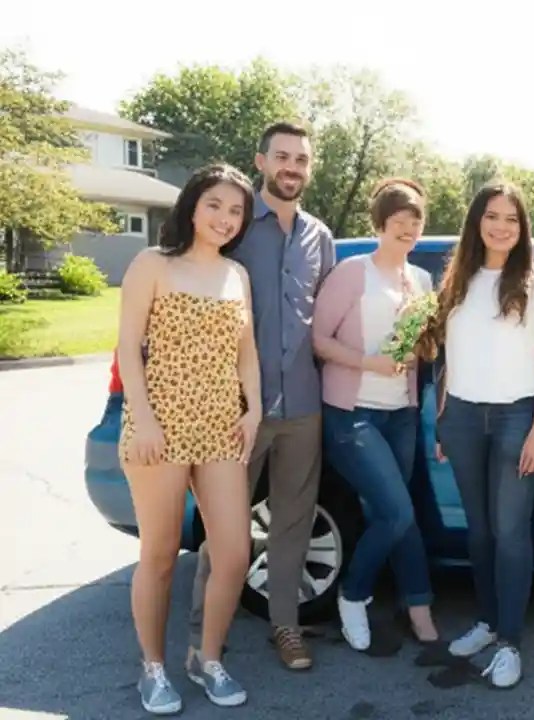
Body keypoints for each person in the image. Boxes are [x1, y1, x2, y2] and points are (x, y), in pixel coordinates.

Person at [188, 121, 336, 671]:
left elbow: (327, 319)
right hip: (235, 409)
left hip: (303, 406)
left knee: (292, 523)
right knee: (223, 529)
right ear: (261, 161)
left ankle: (286, 628)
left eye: (301, 158)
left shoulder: (320, 238)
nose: (292, 166)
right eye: (282, 156)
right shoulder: (231, 227)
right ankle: (205, 636)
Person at [117, 163, 259, 714]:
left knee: (233, 552)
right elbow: (128, 347)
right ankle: (152, 668)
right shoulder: (152, 263)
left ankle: (207, 657)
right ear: (193, 207)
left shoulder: (236, 276)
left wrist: (250, 410)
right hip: (160, 424)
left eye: (235, 210)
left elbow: (246, 352)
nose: (225, 218)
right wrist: (146, 420)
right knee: (158, 555)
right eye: (215, 205)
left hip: (221, 425)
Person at [433, 181, 534, 688]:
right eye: (492, 216)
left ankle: (510, 642)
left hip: (517, 417)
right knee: (480, 531)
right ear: (477, 221)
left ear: (522, 225)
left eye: (511, 218)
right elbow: (449, 354)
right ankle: (487, 622)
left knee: (511, 533)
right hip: (464, 417)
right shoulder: (458, 279)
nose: (501, 226)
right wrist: (444, 416)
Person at [311, 178, 441, 653]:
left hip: (400, 413)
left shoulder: (421, 281)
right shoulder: (352, 273)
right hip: (353, 414)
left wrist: (421, 346)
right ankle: (353, 594)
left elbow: (422, 346)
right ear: (381, 224)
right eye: (399, 220)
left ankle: (418, 605)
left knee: (397, 514)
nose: (408, 228)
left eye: (416, 220)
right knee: (396, 511)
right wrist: (369, 362)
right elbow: (318, 340)